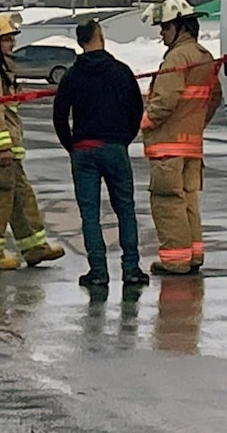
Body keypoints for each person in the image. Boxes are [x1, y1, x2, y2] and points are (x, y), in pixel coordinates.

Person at [53, 18, 149, 289]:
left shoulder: (72, 75)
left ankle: (98, 271)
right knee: (125, 209)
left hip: (83, 149)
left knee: (90, 213)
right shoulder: (121, 71)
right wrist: (123, 139)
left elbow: (59, 115)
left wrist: (71, 145)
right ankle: (131, 268)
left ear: (80, 41)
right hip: (115, 147)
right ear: (100, 36)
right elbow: (136, 109)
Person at [0, 12, 65, 271]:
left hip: (9, 149)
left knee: (22, 197)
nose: (12, 45)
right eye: (7, 40)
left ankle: (34, 248)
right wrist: (1, 146)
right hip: (0, 150)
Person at [140, 0, 223, 276]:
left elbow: (165, 100)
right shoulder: (204, 56)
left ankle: (175, 260)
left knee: (168, 203)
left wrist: (144, 122)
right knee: (188, 202)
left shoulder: (177, 57)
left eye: (164, 28)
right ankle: (193, 255)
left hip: (168, 148)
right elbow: (213, 98)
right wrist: (196, 125)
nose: (162, 35)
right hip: (192, 148)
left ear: (179, 26)